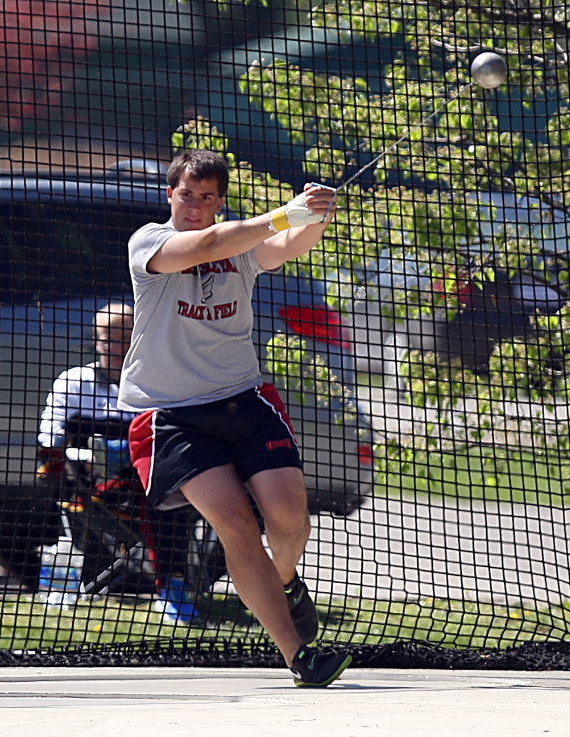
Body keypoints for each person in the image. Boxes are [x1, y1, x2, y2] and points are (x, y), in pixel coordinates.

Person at [117, 149, 352, 687]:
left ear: (220, 201)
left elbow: (284, 246)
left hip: (243, 399)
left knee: (290, 518)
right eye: (187, 194)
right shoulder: (150, 242)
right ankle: (300, 658)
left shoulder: (241, 242)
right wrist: (285, 213)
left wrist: (315, 215)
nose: (196, 205)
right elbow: (207, 245)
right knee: (238, 527)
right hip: (170, 414)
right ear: (169, 195)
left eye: (207, 197)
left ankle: (286, 583)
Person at [38, 302, 202, 624]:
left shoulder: (163, 382)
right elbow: (49, 439)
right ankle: (62, 584)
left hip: (151, 486)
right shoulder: (73, 383)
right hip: (90, 489)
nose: (116, 347)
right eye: (107, 338)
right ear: (95, 341)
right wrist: (83, 456)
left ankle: (172, 587)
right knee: (53, 475)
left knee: (172, 498)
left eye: (125, 336)